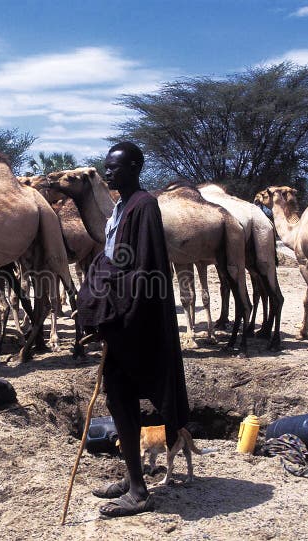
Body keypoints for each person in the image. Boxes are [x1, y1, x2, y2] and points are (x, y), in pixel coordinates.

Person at [77, 142, 189, 517]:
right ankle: (132, 475)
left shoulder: (143, 206)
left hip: (133, 321)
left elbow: (142, 269)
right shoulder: (120, 209)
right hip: (118, 318)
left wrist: (109, 305)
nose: (108, 173)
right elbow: (112, 260)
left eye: (116, 168)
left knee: (123, 399)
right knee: (117, 399)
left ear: (136, 168)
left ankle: (139, 492)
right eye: (106, 167)